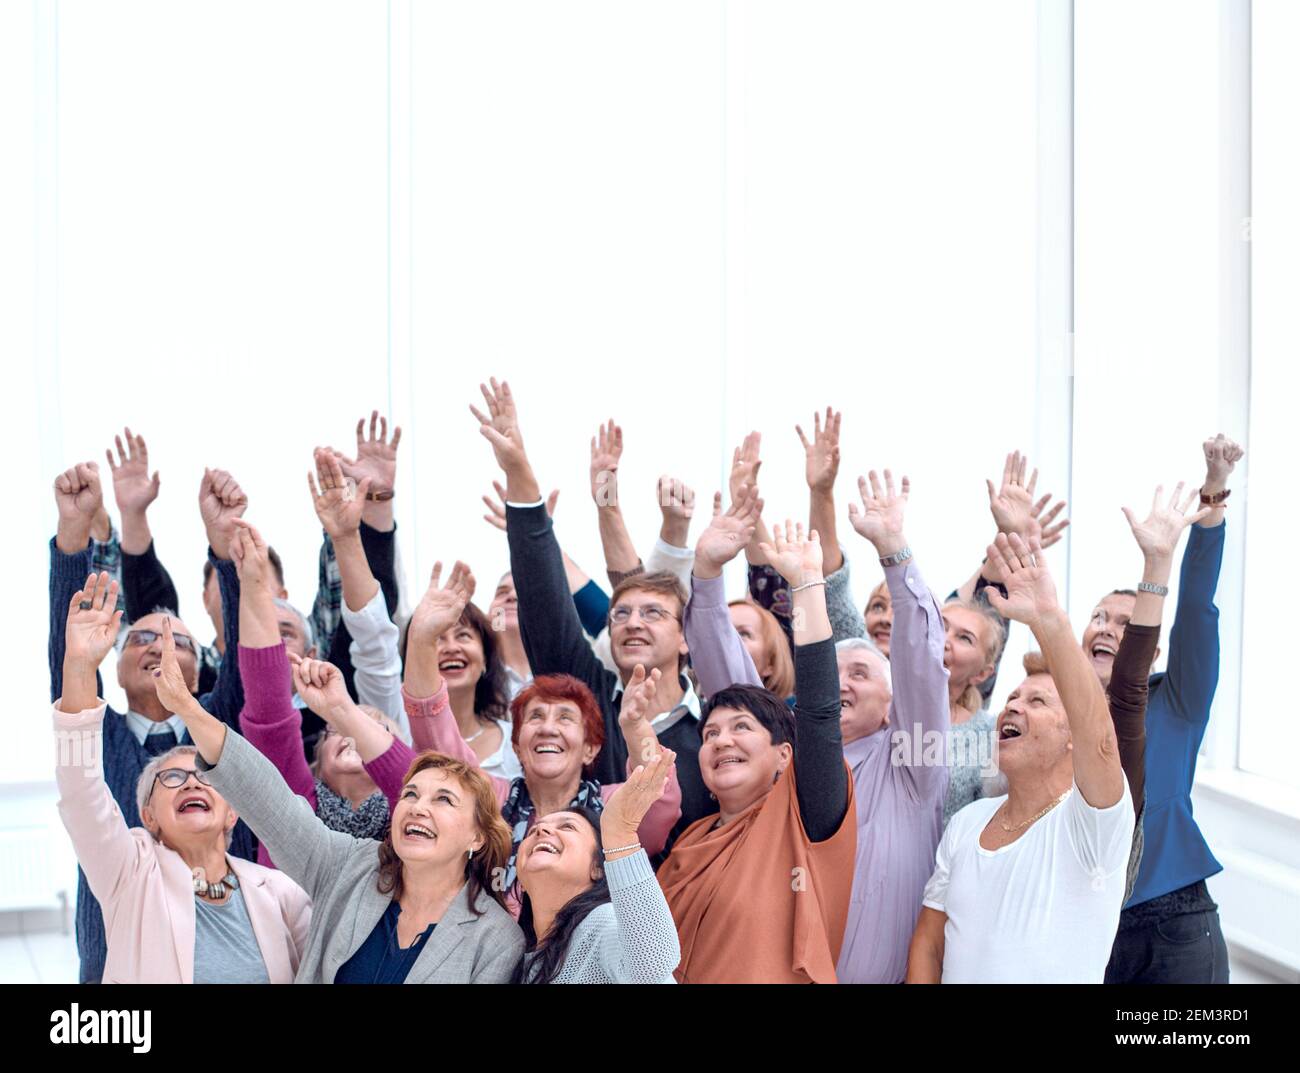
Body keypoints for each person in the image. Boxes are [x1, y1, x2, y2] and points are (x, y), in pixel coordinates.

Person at [153, 613, 524, 983]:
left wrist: (345, 712)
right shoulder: (348, 867)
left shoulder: (495, 939)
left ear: (477, 835)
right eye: (410, 794)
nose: (417, 807)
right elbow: (267, 801)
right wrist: (188, 709)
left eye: (443, 799)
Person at [684, 472, 948, 984]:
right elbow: (737, 699)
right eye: (834, 672)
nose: (841, 683)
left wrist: (894, 552)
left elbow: (921, 666)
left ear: (894, 706)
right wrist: (709, 575)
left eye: (861, 672)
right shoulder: (782, 767)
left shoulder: (914, 765)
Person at [472, 379, 707, 837]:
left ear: (685, 636)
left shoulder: (714, 727)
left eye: (653, 614)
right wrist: (522, 479)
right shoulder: (585, 697)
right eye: (620, 614)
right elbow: (545, 601)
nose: (633, 622)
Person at [53, 570, 310, 983]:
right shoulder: (130, 874)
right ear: (147, 816)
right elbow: (81, 792)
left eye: (206, 778)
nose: (192, 782)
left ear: (234, 813)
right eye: (171, 779)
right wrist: (80, 666)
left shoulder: (280, 893)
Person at [49, 460, 251, 984]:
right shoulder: (100, 738)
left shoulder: (221, 730)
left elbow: (247, 650)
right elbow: (66, 656)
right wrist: (73, 537)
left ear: (202, 669)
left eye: (179, 642)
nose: (159, 646)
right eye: (140, 638)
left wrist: (224, 545)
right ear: (113, 667)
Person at [908, 532, 1134, 984]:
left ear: (1074, 739)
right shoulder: (968, 822)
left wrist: (1048, 619)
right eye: (1013, 697)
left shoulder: (1092, 826)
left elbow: (1101, 738)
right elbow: (930, 944)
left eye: (1038, 703)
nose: (1013, 706)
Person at [396, 560, 682, 900]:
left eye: (565, 718)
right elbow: (436, 740)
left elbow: (658, 797)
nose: (548, 729)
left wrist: (636, 727)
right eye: (534, 718)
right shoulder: (491, 800)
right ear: (516, 747)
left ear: (591, 748)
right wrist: (422, 640)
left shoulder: (612, 810)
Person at [658, 521, 857, 984]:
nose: (721, 740)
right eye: (710, 734)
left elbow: (820, 712)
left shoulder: (807, 817)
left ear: (785, 756)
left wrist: (807, 586)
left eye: (741, 728)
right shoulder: (689, 844)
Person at [1103, 435, 1243, 984]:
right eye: (1099, 618)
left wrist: (1212, 501)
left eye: (1125, 621)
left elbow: (1197, 609)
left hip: (1176, 924)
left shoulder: (1176, 699)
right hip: (1094, 926)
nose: (1109, 629)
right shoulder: (1063, 716)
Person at [513, 748, 681, 983]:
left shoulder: (603, 922)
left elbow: (653, 962)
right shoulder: (520, 960)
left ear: (598, 868)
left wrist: (620, 833)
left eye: (567, 827)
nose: (542, 829)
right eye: (532, 831)